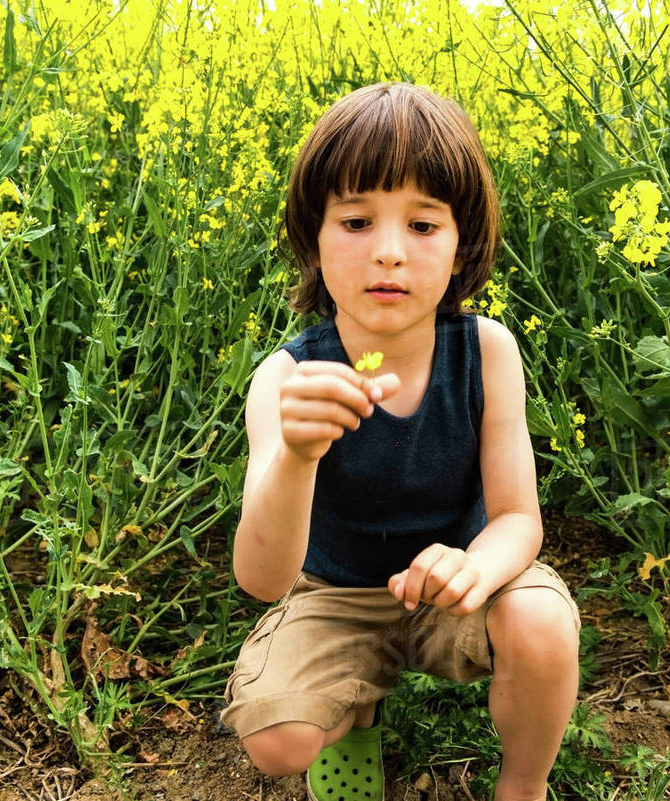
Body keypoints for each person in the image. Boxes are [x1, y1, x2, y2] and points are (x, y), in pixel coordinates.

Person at [221, 82, 581, 801]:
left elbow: (517, 518)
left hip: (460, 585)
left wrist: (475, 568)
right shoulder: (286, 377)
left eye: (423, 226)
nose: (389, 253)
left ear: (461, 246)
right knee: (277, 740)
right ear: (313, 240)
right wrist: (296, 455)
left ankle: (524, 787)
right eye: (356, 221)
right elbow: (262, 580)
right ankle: (352, 705)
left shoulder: (488, 351)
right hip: (334, 593)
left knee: (540, 620)